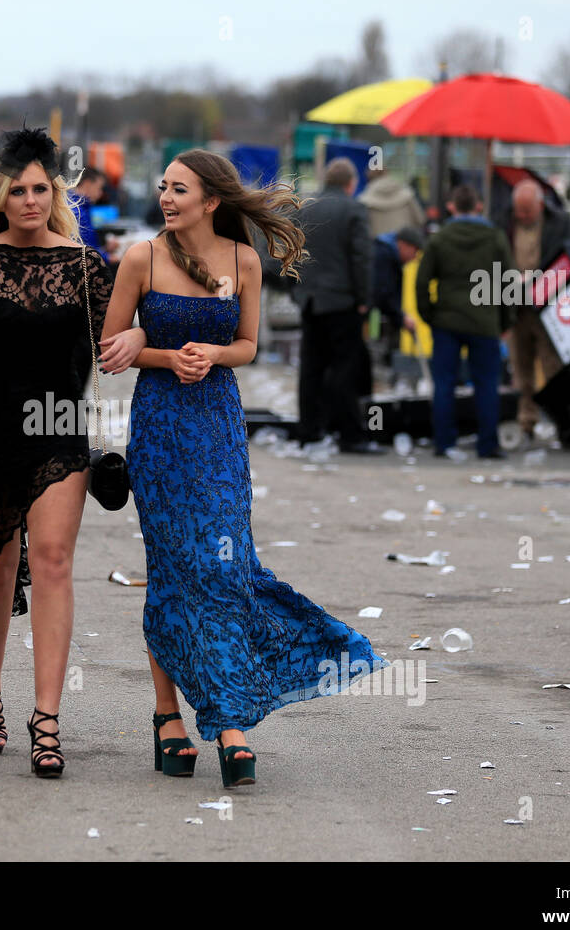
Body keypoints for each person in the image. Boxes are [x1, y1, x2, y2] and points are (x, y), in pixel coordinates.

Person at [98, 149, 388, 788]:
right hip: (161, 431)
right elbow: (112, 348)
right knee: (173, 571)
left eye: (180, 189)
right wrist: (162, 353)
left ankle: (229, 718)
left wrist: (213, 354)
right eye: (163, 187)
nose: (166, 198)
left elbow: (249, 346)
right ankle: (168, 716)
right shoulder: (141, 258)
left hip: (219, 431)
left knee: (225, 568)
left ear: (211, 201)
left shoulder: (244, 261)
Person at [0, 126, 117, 778]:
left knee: (54, 560)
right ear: (1, 196)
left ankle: (47, 720)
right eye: (20, 190)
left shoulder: (84, 264)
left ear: (55, 192)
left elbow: (117, 336)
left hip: (60, 426)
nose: (32, 200)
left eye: (42, 188)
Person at [415, 184, 516, 460]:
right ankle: (488, 445)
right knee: (486, 385)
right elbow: (507, 280)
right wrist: (506, 320)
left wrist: (430, 315)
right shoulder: (495, 238)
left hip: (447, 322)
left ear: (451, 207)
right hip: (485, 322)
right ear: (479, 206)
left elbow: (422, 282)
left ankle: (444, 443)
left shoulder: (439, 239)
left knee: (444, 384)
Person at [293, 157, 377, 453]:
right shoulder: (354, 209)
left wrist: (298, 291)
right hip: (343, 301)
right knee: (344, 367)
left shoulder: (306, 209)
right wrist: (364, 300)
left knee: (311, 368)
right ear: (351, 184)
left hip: (310, 301)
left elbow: (292, 253)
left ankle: (309, 431)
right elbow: (361, 258)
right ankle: (350, 435)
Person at [497, 178, 570, 441]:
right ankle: (526, 421)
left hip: (548, 305)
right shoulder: (504, 222)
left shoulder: (560, 223)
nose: (522, 216)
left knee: (552, 365)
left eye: (527, 211)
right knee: (521, 368)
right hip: (516, 305)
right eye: (519, 211)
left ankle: (560, 421)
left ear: (540, 206)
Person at [359, 167, 425, 238]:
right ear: (387, 173)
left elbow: (361, 230)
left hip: (378, 246)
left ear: (369, 178)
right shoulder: (407, 194)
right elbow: (420, 220)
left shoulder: (363, 200)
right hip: (405, 245)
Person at [71, 166, 108, 261]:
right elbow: (85, 254)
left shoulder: (81, 207)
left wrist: (105, 250)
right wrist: (108, 258)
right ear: (87, 184)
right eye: (99, 188)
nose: (100, 194)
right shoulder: (77, 212)